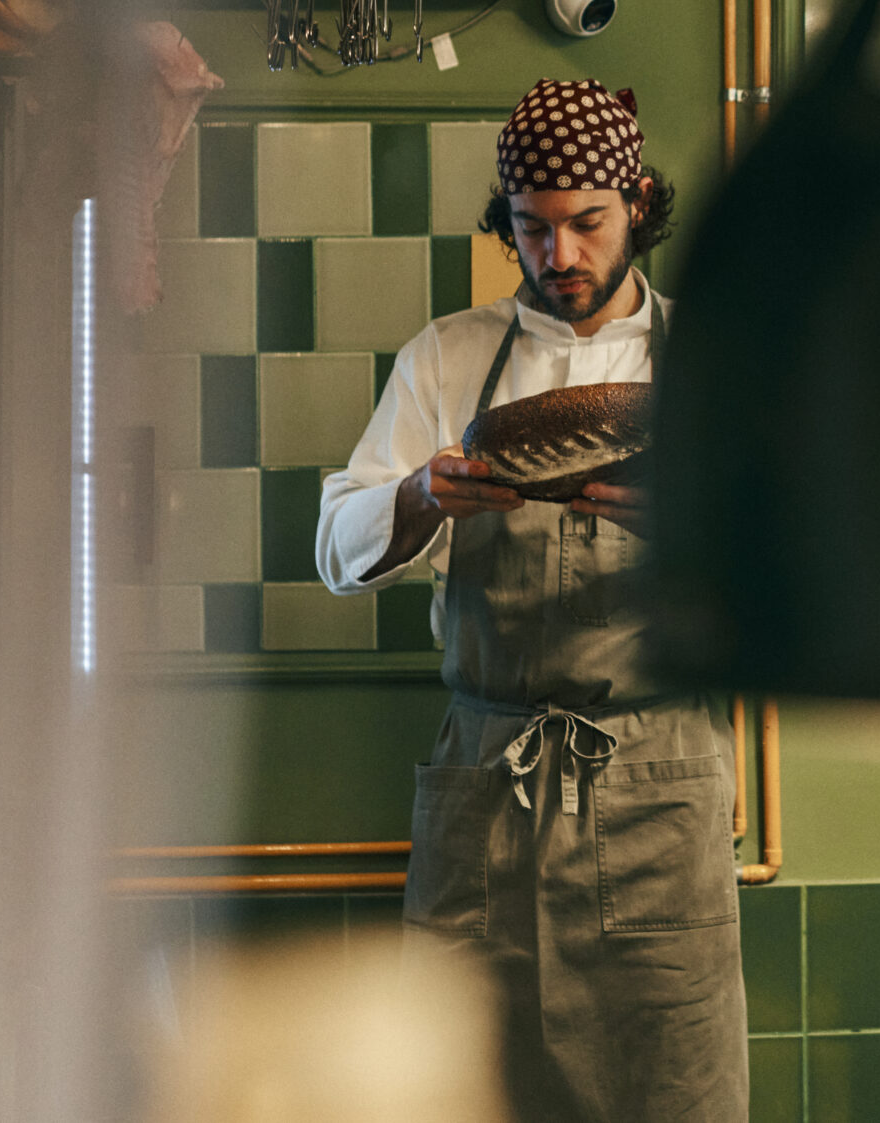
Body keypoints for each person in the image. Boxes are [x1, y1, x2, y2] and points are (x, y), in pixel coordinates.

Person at [316, 78, 745, 1123]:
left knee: (669, 1091)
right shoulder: (450, 359)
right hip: (486, 789)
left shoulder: (715, 364)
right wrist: (422, 493)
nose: (558, 256)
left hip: (656, 786)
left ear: (637, 202)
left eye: (586, 224)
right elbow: (335, 549)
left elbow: (805, 567)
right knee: (468, 1092)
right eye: (532, 228)